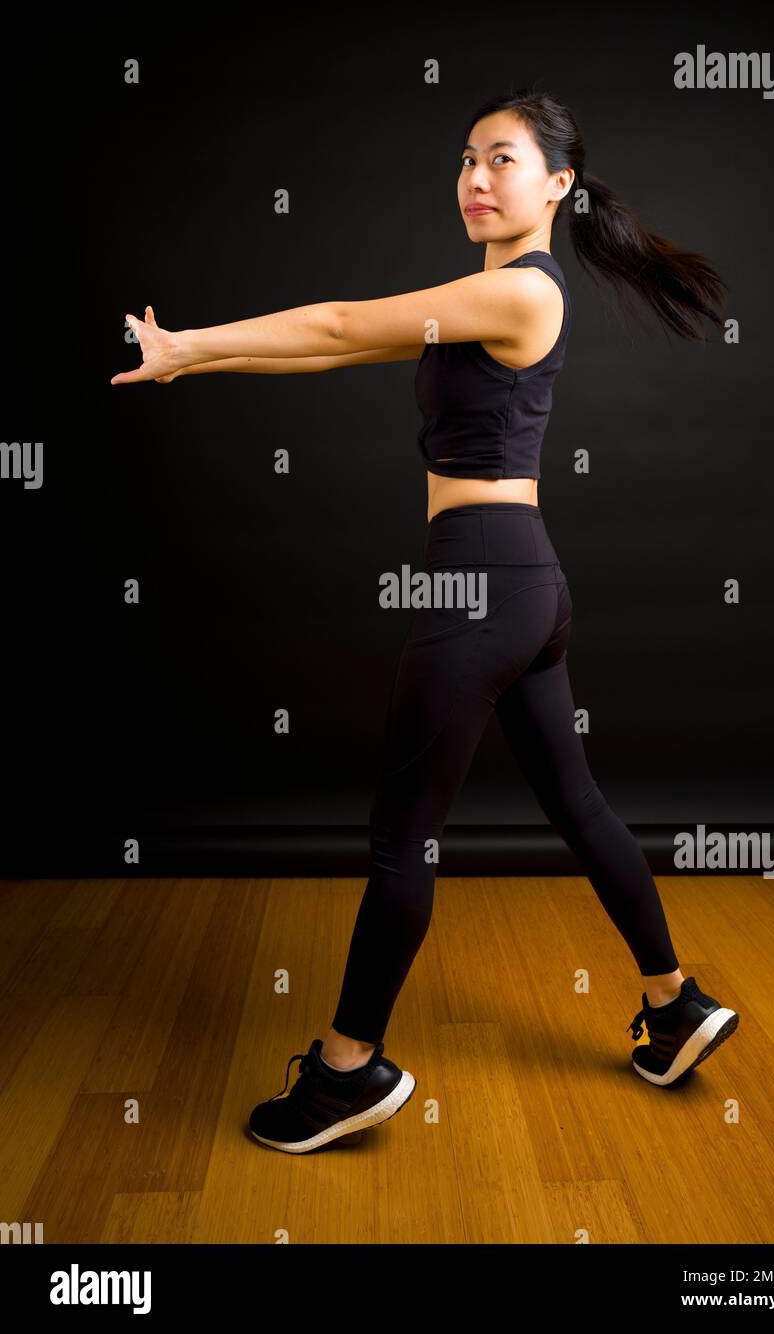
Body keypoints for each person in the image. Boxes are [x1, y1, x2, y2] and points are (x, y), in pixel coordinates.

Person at [111, 87, 740, 1153]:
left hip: (480, 589)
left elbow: (344, 319)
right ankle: (673, 1000)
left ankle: (346, 1070)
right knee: (574, 803)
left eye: (500, 159)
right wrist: (194, 358)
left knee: (402, 840)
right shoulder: (481, 298)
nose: (474, 178)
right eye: (465, 159)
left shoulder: (525, 294)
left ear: (557, 186)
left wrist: (192, 341)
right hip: (521, 586)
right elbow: (333, 350)